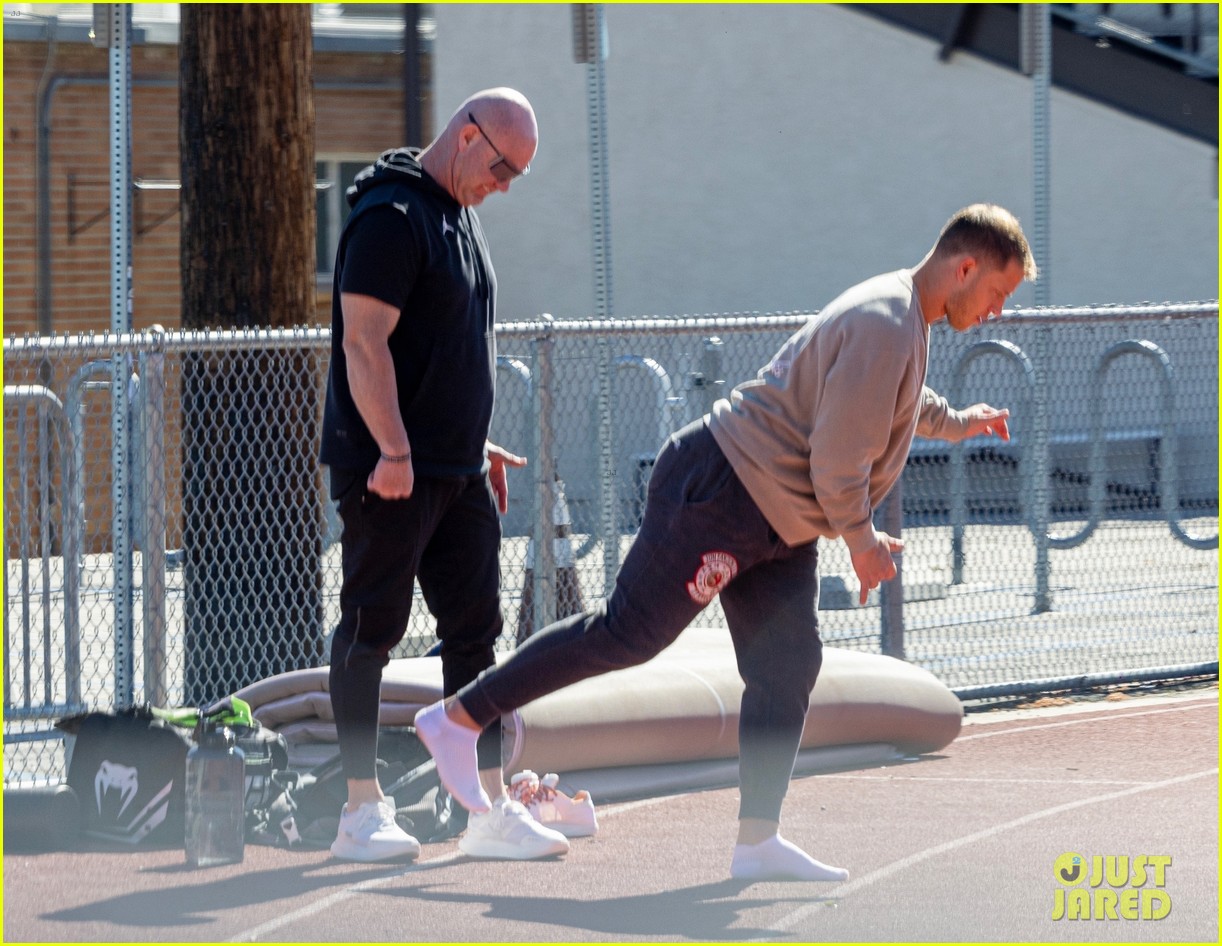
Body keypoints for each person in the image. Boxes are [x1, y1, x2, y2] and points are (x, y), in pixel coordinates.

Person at [416, 203, 1038, 880]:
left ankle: (757, 843)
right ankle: (459, 717)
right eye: (999, 294)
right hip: (724, 491)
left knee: (788, 667)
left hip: (780, 522)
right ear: (966, 267)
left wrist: (959, 423)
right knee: (627, 634)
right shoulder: (886, 321)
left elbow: (894, 401)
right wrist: (862, 540)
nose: (998, 311)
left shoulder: (903, 321)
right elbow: (837, 459)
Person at [320, 88, 570, 863]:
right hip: (392, 472)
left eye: (516, 177)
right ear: (467, 137)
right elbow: (365, 344)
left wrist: (474, 440)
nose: (503, 186)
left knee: (476, 639)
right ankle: (359, 812)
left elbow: (444, 351)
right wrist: (395, 450)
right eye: (502, 168)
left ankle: (486, 811)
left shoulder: (460, 218)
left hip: (457, 471)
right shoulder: (390, 218)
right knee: (371, 631)